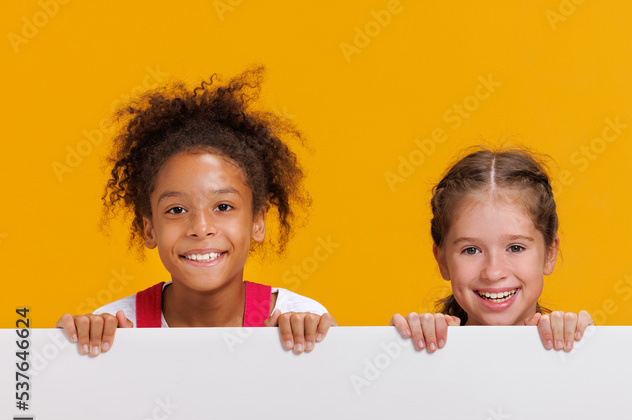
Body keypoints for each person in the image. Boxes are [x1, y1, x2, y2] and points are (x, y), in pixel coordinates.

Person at [57, 67, 334, 356]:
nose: (201, 228)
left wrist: (313, 356)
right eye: (176, 209)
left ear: (258, 221)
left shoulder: (302, 322)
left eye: (223, 207)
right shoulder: (114, 331)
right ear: (149, 229)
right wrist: (65, 357)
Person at [391, 147, 592, 352]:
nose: (493, 272)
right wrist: (402, 349)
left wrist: (588, 349)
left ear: (549, 255)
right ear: (442, 260)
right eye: (471, 250)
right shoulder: (419, 349)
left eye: (515, 247)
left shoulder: (575, 346)